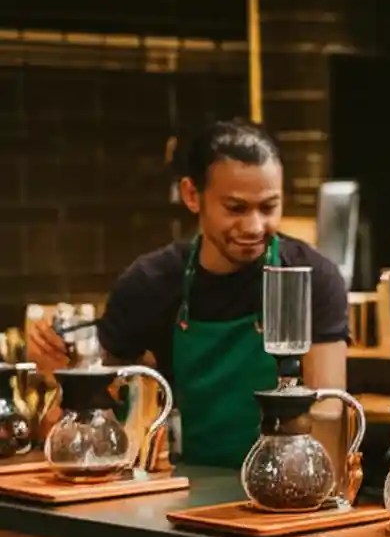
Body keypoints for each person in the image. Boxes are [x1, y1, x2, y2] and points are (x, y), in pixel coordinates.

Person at [27, 119, 350, 469]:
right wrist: (65, 374)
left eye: (268, 207)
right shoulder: (151, 282)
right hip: (186, 490)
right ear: (192, 195)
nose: (255, 226)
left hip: (288, 486)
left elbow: (329, 411)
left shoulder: (311, 278)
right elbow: (91, 406)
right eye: (236, 208)